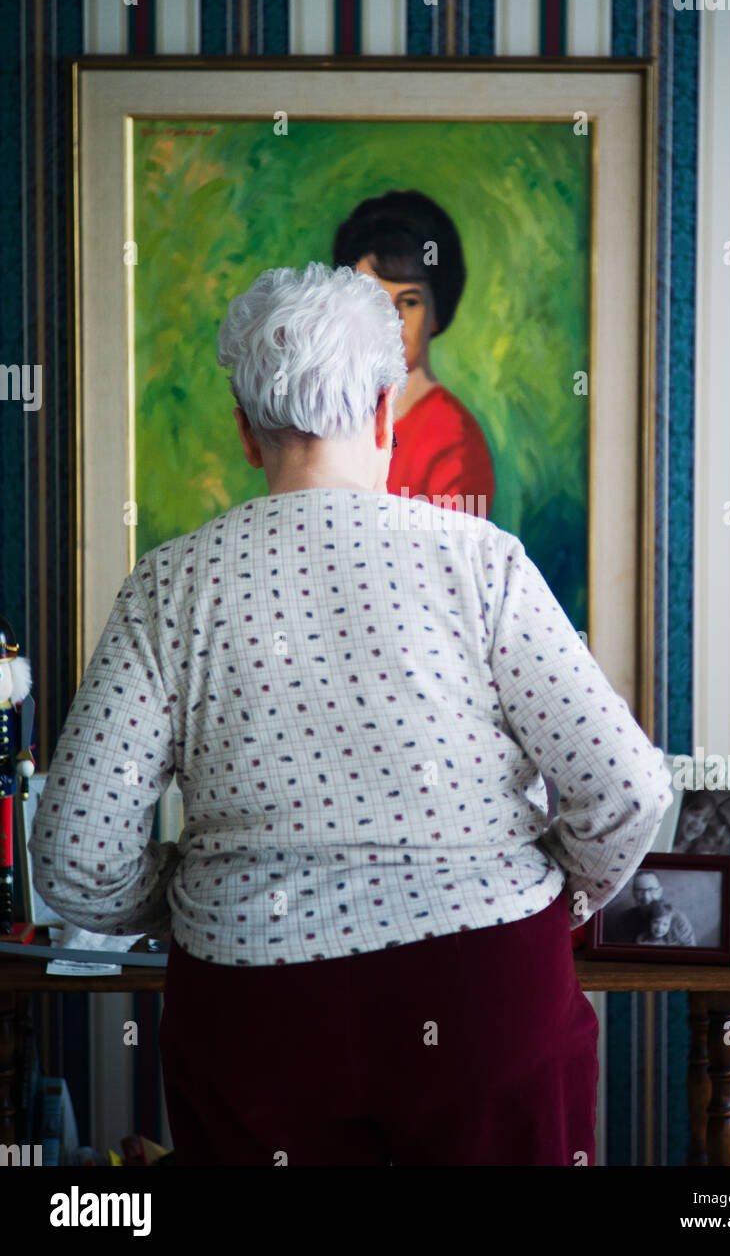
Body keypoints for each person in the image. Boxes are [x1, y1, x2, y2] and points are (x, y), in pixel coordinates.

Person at [30, 262, 672, 1167]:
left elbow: (73, 857)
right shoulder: (480, 562)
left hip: (253, 1010)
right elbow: (628, 787)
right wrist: (553, 892)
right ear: (382, 413)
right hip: (487, 988)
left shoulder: (169, 586)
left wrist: (193, 895)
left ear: (246, 432)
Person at [332, 189, 495, 515]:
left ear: (436, 312)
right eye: (372, 299)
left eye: (409, 302)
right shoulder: (331, 419)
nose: (391, 320)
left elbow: (446, 561)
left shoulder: (454, 443)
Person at [611, 870, 696, 946]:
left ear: (660, 892)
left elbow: (691, 952)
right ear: (633, 893)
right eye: (640, 891)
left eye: (651, 890)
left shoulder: (678, 919)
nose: (646, 897)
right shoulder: (624, 920)